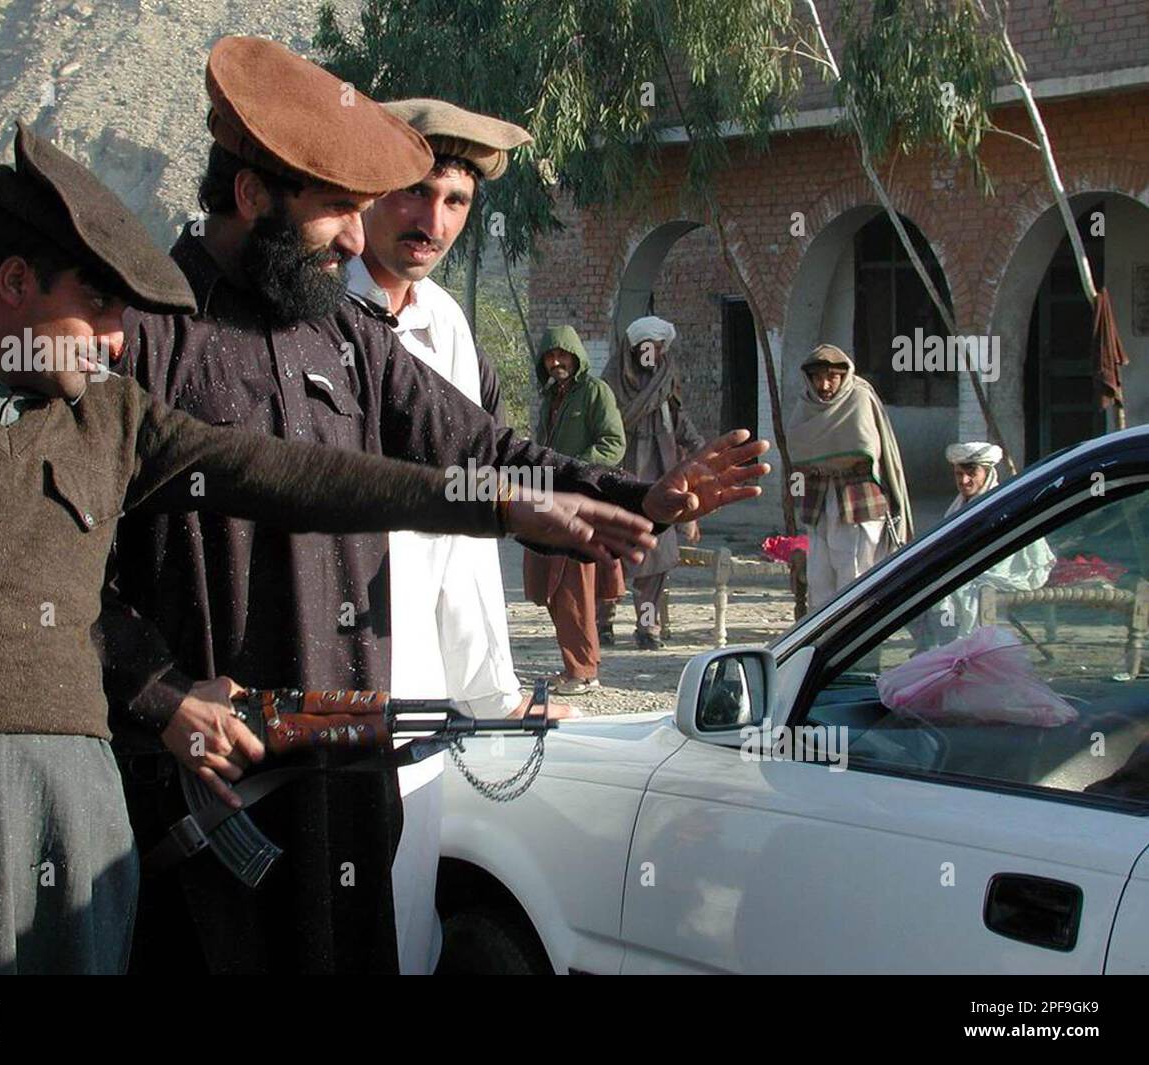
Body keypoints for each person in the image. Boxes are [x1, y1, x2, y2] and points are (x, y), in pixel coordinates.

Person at [0, 123, 634, 974]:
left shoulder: (117, 412)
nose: (117, 339)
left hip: (77, 809)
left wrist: (507, 506)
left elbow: (303, 477)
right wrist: (161, 694)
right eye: (100, 307)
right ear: (13, 283)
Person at [102, 36, 773, 974]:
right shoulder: (143, 333)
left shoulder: (343, 333)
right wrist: (163, 696)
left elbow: (485, 449)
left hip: (344, 760)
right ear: (252, 195)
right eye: (336, 208)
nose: (351, 237)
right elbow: (61, 565)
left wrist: (640, 496)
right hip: (209, 780)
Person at [347, 97, 567, 973]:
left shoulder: (447, 326)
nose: (429, 221)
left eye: (455, 202)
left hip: (418, 688)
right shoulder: (313, 315)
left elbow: (470, 533)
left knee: (403, 910)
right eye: (411, 191)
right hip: (320, 669)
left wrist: (489, 690)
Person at [523, 326, 629, 694]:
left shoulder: (595, 391)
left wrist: (575, 469)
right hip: (553, 503)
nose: (556, 362)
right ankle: (573, 667)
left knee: (574, 589)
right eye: (550, 357)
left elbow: (613, 443)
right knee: (554, 588)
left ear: (575, 356)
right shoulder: (552, 398)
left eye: (562, 355)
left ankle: (583, 672)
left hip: (582, 504)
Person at [599, 316, 705, 649]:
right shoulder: (609, 385)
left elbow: (681, 423)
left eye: (658, 348)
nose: (653, 354)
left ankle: (647, 628)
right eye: (647, 348)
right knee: (610, 556)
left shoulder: (666, 382)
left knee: (655, 563)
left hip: (661, 479)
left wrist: (704, 455)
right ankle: (604, 624)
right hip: (619, 479)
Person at [786, 344, 912, 609]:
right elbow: (798, 452)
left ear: (843, 376)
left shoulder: (859, 398)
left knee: (854, 575)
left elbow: (863, 449)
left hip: (858, 501)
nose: (824, 384)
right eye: (818, 377)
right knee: (819, 577)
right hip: (819, 500)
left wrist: (830, 459)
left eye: (832, 377)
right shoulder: (806, 404)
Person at [932, 441, 1055, 639]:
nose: (964, 481)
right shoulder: (959, 506)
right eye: (958, 474)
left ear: (987, 473)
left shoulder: (1000, 505)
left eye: (971, 473)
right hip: (969, 569)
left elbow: (1002, 557)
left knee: (959, 587)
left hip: (1010, 571)